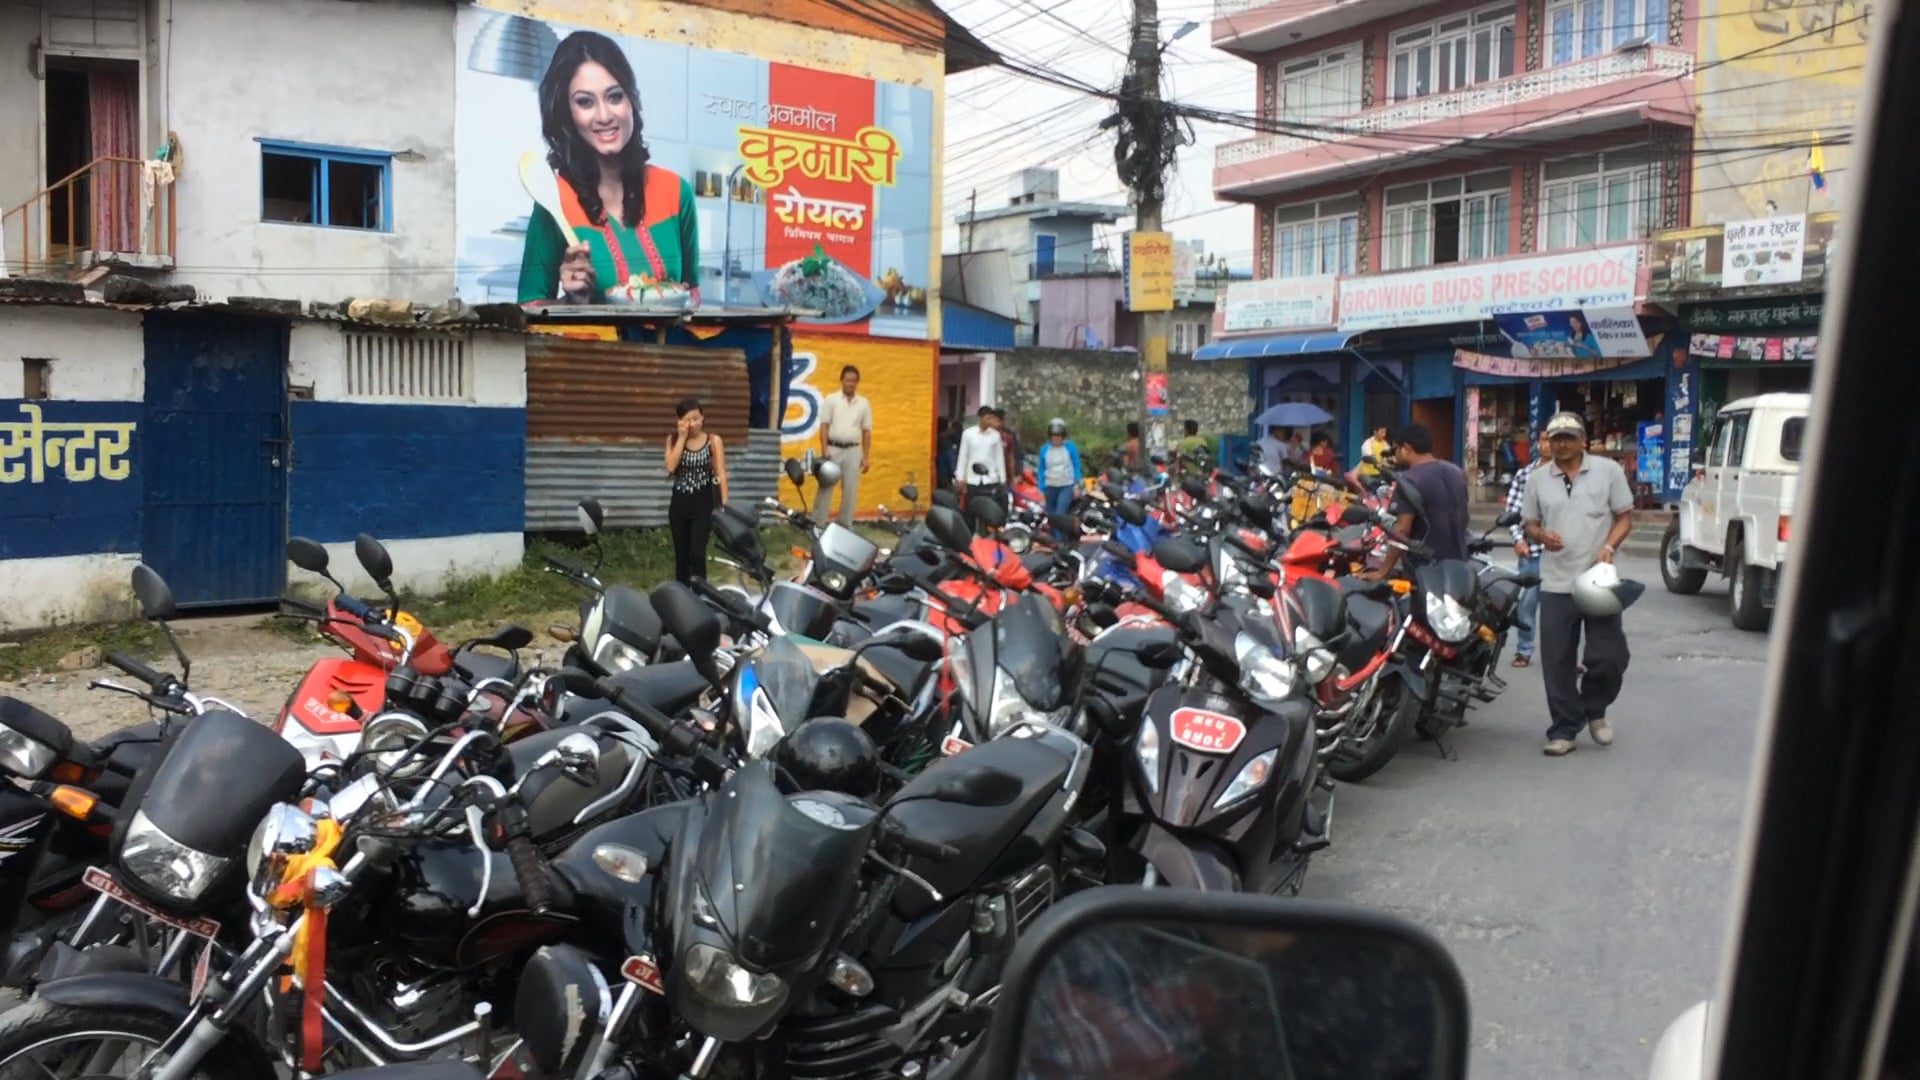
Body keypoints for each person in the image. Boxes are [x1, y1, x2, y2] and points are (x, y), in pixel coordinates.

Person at [518, 31, 700, 306]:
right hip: (598, 350)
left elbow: (693, 293)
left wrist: (686, 303)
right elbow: (528, 308)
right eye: (585, 102)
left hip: (669, 349)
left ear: (632, 101)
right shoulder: (554, 201)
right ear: (566, 112)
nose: (604, 116)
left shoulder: (676, 192)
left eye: (615, 97)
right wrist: (573, 302)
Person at [1522, 411, 1634, 756]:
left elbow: (1624, 518)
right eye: (1556, 438)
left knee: (1609, 655)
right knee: (1557, 661)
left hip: (1597, 578)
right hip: (1555, 581)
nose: (1562, 444)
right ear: (1548, 443)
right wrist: (1542, 536)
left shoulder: (1608, 471)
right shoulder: (1537, 479)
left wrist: (1608, 547)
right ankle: (1564, 729)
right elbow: (1530, 524)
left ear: (1582, 439)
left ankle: (1595, 709)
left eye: (1569, 437)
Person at [1362, 423, 1468, 580]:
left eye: (1395, 449)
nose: (1394, 454)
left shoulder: (1409, 480)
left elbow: (1402, 530)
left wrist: (1382, 572)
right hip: (1459, 567)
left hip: (1425, 572)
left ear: (1406, 448)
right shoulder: (1457, 472)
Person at [664, 397, 728, 584]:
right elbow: (670, 466)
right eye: (688, 419)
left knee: (697, 554)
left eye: (697, 418)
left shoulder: (713, 441)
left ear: (703, 418)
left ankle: (701, 593)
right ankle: (682, 596)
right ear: (680, 421)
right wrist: (682, 437)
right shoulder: (673, 440)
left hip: (703, 503)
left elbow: (721, 473)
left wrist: (725, 505)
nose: (694, 423)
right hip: (679, 505)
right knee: (681, 556)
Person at [1505, 431, 1549, 668]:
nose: (1548, 444)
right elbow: (1512, 510)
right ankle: (1524, 650)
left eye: (1553, 439)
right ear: (1538, 444)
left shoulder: (1572, 476)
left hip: (1563, 554)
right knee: (1527, 604)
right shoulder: (1525, 475)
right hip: (1531, 550)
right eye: (1544, 439)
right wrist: (1517, 539)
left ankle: (1567, 656)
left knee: (1565, 608)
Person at [813, 365, 872, 527]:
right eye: (847, 380)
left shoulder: (863, 404)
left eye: (853, 381)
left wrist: (866, 457)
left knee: (850, 490)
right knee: (826, 486)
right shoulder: (831, 400)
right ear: (842, 380)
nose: (850, 384)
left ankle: (845, 525)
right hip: (833, 448)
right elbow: (824, 426)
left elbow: (866, 431)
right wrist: (824, 449)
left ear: (857, 382)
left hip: (853, 449)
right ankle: (818, 524)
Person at [956, 405, 1008, 510]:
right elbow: (963, 456)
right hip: (972, 479)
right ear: (981, 418)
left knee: (988, 510)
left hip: (990, 479)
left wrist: (1002, 478)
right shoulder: (968, 434)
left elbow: (999, 458)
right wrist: (960, 478)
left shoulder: (995, 435)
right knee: (971, 509)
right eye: (988, 418)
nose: (990, 421)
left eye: (991, 418)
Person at [1037, 418, 1083, 521]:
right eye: (1054, 436)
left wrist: (1077, 485)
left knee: (1060, 515)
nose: (1056, 439)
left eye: (1058, 436)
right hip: (1050, 486)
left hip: (1066, 485)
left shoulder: (1070, 448)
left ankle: (1059, 537)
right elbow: (1041, 469)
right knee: (1051, 515)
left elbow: (1076, 466)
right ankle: (1053, 536)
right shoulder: (1044, 449)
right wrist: (1041, 488)